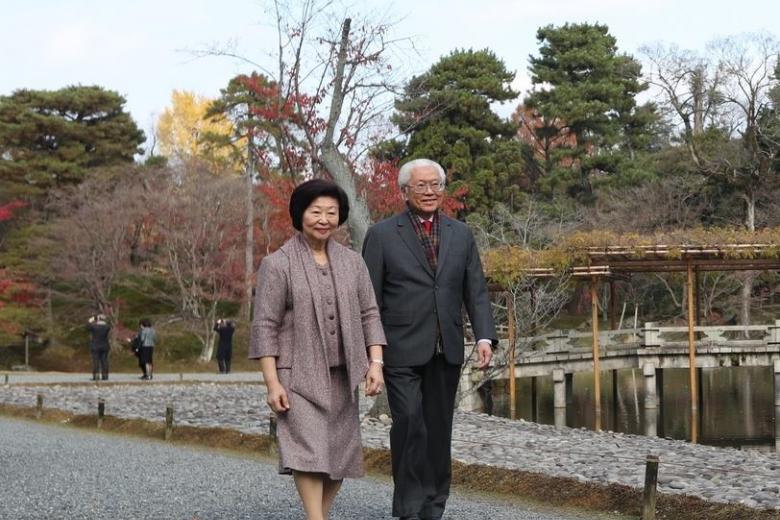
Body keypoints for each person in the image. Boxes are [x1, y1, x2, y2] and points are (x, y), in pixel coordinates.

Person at [362, 158, 497, 520]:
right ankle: (409, 507)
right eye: (420, 185)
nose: (429, 191)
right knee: (409, 422)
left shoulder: (460, 234)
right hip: (399, 348)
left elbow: (475, 290)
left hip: (446, 347)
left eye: (435, 184)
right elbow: (368, 298)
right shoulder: (382, 235)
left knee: (439, 429)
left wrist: (484, 336)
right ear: (404, 191)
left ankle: (433, 507)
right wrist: (372, 355)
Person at [250, 179, 387, 520]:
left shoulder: (353, 262)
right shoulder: (278, 264)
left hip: (343, 375)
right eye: (316, 212)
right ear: (300, 214)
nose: (324, 219)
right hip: (296, 375)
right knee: (308, 452)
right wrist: (272, 384)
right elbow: (265, 326)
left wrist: (375, 363)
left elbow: (370, 313)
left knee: (340, 454)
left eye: (331, 212)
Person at [86, 314, 111, 381]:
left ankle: (96, 375)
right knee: (104, 361)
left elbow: (87, 327)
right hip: (105, 345)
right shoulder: (107, 327)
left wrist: (90, 320)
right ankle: (105, 375)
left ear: (98, 319)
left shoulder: (94, 327)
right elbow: (108, 324)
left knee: (96, 361)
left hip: (95, 346)